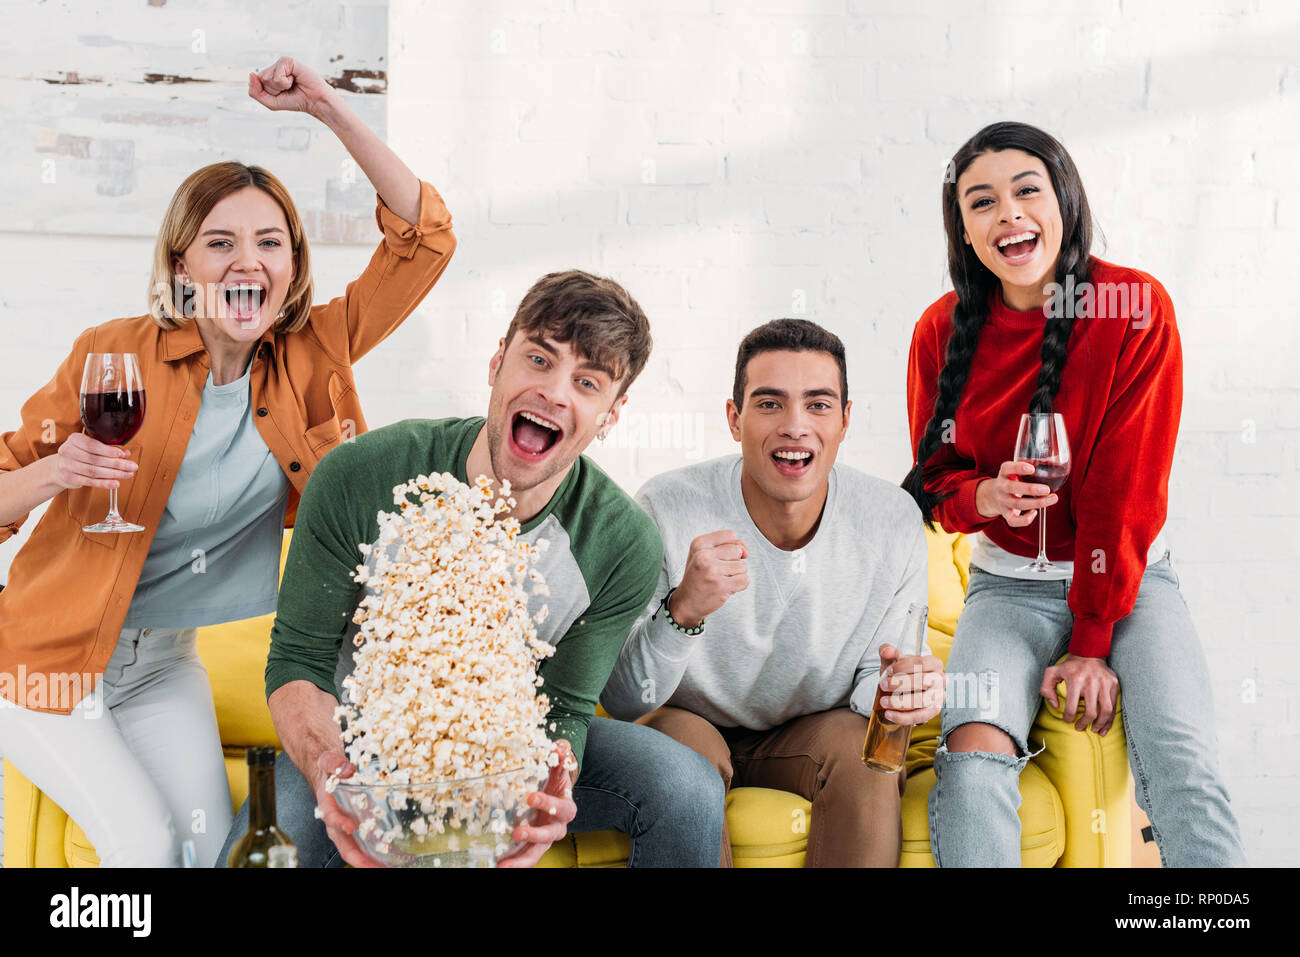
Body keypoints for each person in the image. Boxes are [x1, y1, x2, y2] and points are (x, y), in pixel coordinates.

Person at [0, 56, 457, 867]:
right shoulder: (111, 355)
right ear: (183, 266)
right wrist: (54, 472)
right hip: (43, 667)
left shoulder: (317, 350)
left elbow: (425, 240)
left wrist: (328, 110)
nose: (247, 260)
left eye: (269, 242)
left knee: (219, 853)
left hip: (162, 663)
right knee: (142, 845)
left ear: (289, 268)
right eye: (220, 242)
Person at [218, 269, 725, 868]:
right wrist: (332, 771)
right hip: (357, 744)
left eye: (587, 382)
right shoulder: (360, 476)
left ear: (611, 414)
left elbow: (564, 707)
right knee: (257, 858)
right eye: (538, 359)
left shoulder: (620, 543)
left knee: (685, 787)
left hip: (507, 754)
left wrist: (549, 786)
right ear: (496, 364)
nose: (555, 392)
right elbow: (298, 659)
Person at [904, 120, 1246, 867]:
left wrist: (1092, 641)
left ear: (1064, 197)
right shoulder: (939, 331)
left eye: (1028, 190)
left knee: (1183, 761)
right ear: (963, 229)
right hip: (1003, 593)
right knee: (969, 758)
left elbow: (1126, 493)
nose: (1009, 214)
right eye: (982, 202)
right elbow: (935, 484)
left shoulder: (1134, 307)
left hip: (1131, 586)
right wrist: (985, 498)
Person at [601, 318, 943, 867]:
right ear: (734, 420)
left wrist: (899, 693)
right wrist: (682, 610)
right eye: (769, 404)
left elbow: (873, 687)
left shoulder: (891, 519)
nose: (795, 426)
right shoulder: (668, 506)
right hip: (689, 723)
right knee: (682, 754)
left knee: (871, 755)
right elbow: (623, 699)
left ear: (845, 420)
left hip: (813, 732)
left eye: (818, 404)